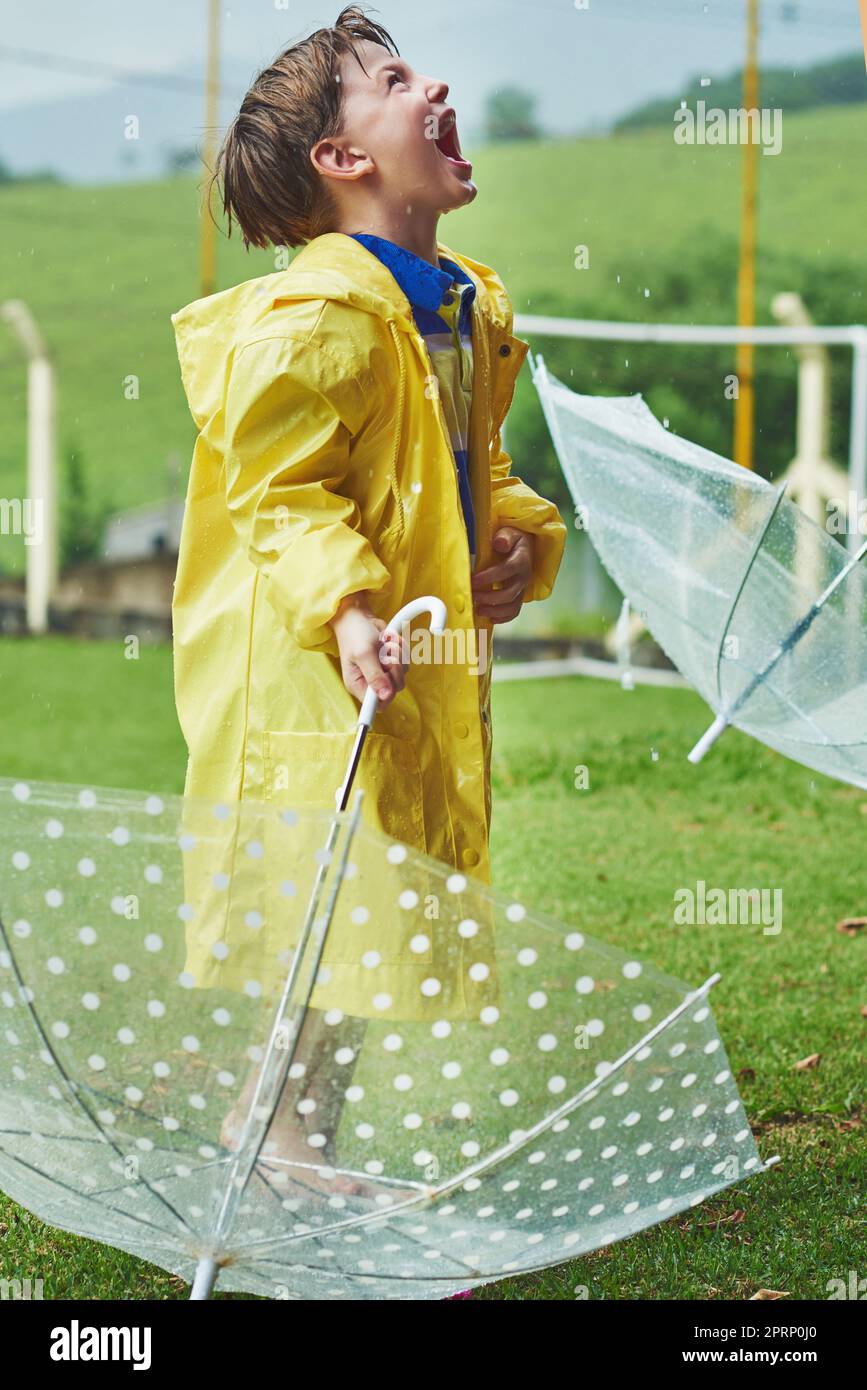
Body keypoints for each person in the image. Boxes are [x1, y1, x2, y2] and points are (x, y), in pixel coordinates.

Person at [170, 6, 566, 1197]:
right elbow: (277, 492)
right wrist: (344, 605)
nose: (435, 85)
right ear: (343, 161)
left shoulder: (453, 309)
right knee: (317, 896)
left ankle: (293, 1135)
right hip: (306, 655)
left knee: (365, 901)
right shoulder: (319, 318)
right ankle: (284, 1141)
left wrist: (516, 543)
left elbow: (470, 468)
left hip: (400, 652)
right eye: (396, 80)